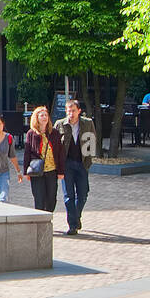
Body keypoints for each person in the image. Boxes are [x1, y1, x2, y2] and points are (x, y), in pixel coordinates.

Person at [54, 97, 96, 235]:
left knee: (83, 194)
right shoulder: (60, 124)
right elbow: (54, 144)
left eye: (73, 110)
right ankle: (72, 225)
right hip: (66, 164)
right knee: (68, 195)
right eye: (68, 111)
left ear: (79, 111)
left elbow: (91, 140)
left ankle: (76, 217)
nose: (70, 114)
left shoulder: (87, 123)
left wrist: (88, 161)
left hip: (82, 162)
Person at [23, 106, 65, 213]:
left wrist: (61, 171)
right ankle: (40, 222)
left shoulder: (54, 133)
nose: (44, 117)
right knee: (39, 198)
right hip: (37, 171)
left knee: (51, 198)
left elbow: (60, 152)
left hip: (51, 170)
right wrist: (26, 171)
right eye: (42, 115)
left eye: (46, 115)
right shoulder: (31, 134)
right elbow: (27, 153)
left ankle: (48, 216)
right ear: (36, 118)